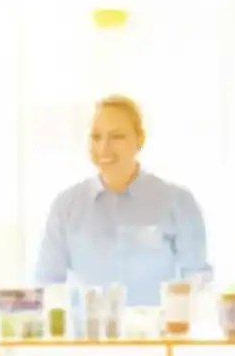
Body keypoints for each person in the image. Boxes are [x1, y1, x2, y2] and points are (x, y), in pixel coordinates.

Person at [34, 95, 211, 306]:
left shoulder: (177, 202)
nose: (104, 148)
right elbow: (48, 284)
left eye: (117, 137)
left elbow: (196, 279)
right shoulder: (67, 206)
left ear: (140, 139)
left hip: (157, 335)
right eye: (96, 137)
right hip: (87, 336)